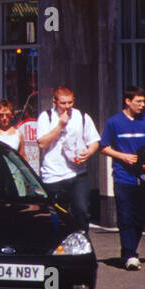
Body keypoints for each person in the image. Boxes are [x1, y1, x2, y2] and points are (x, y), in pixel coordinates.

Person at [100, 87, 145, 269]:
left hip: (142, 178)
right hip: (122, 177)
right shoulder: (114, 122)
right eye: (138, 101)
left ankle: (129, 250)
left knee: (139, 217)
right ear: (127, 101)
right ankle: (130, 254)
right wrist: (123, 156)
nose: (142, 105)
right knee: (125, 216)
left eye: (144, 102)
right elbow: (103, 147)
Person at [37, 86, 100, 230]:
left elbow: (95, 141)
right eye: (63, 103)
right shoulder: (46, 117)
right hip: (53, 175)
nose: (67, 107)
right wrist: (60, 125)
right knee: (55, 215)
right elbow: (42, 143)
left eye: (70, 103)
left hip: (77, 173)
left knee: (81, 210)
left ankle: (82, 241)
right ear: (55, 101)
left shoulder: (82, 116)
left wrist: (89, 152)